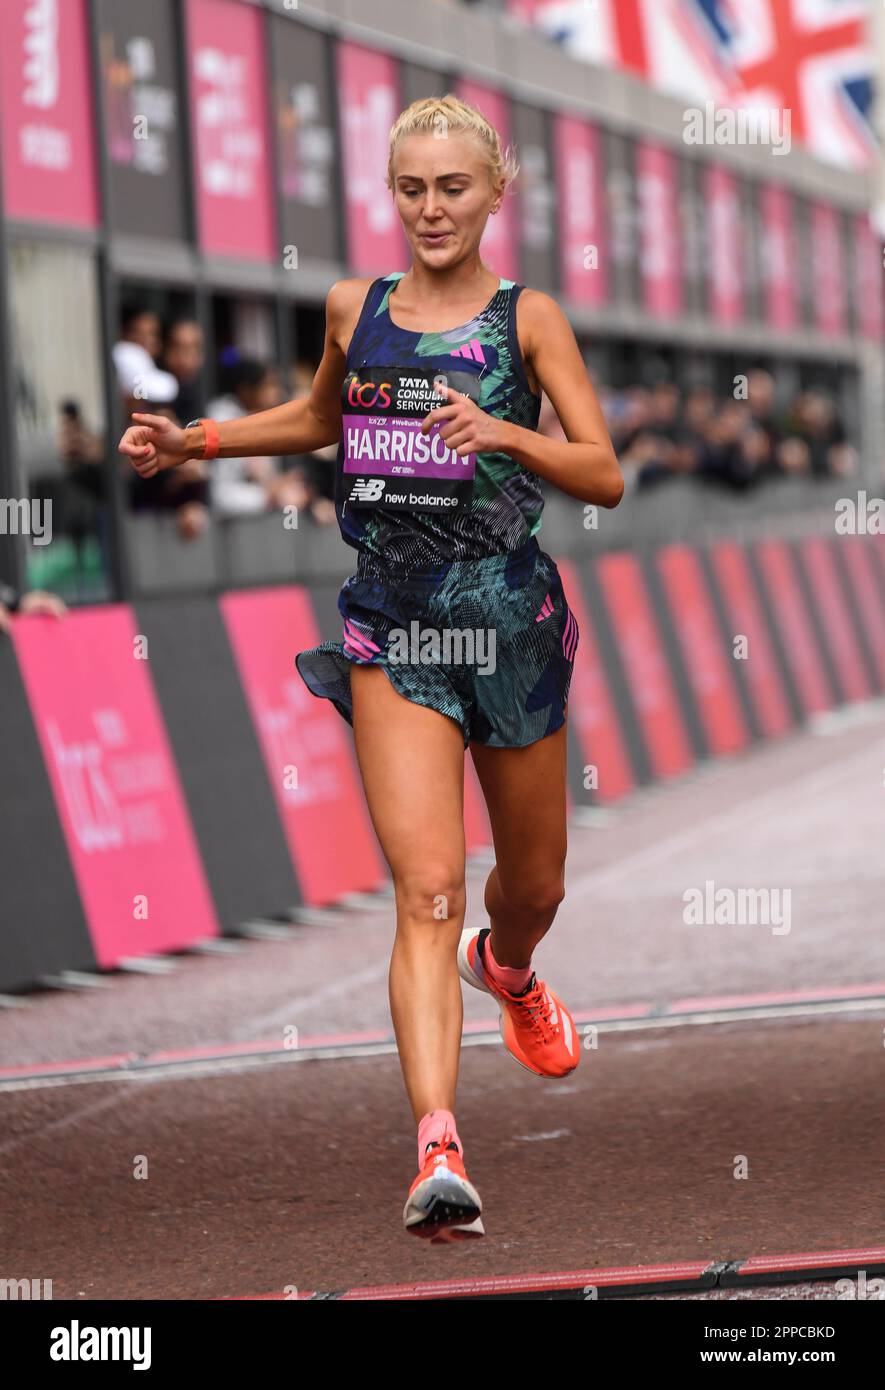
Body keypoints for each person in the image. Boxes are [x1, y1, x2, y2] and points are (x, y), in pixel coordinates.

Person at [118, 93, 623, 1244]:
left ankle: (512, 966)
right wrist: (191, 439)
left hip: (506, 621)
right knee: (424, 889)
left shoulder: (526, 319)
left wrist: (508, 434)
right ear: (388, 194)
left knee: (530, 885)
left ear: (497, 193)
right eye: (411, 188)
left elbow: (603, 472)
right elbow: (313, 417)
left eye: (452, 187)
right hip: (392, 625)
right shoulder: (359, 305)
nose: (431, 208)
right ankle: (438, 1144)